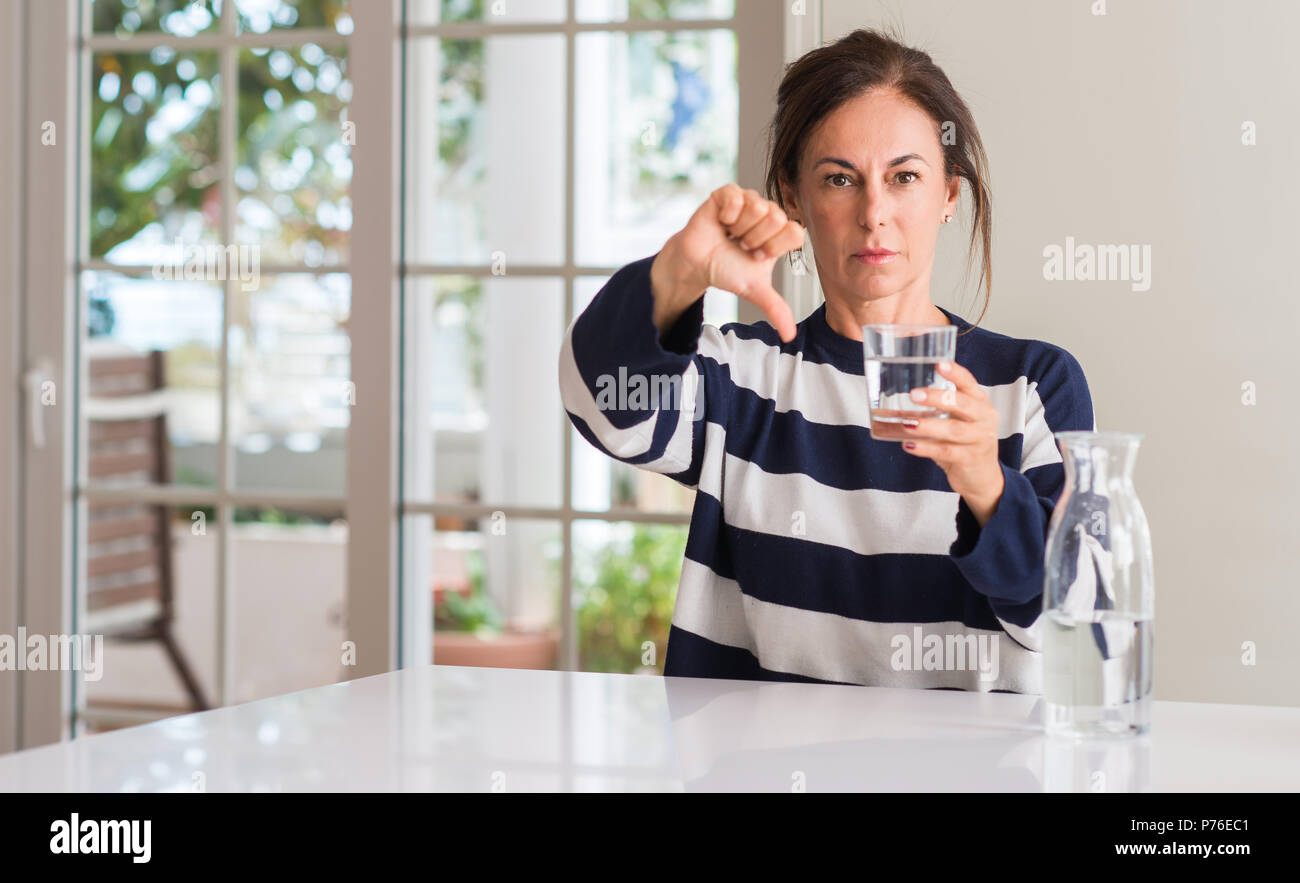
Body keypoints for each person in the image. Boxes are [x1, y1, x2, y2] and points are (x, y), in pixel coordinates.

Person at [559, 28, 1095, 692]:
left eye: (905, 177)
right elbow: (600, 406)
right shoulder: (740, 378)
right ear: (794, 196)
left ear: (949, 195)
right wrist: (675, 274)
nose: (874, 213)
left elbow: (1081, 628)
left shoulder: (1033, 386)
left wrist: (987, 485)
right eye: (840, 178)